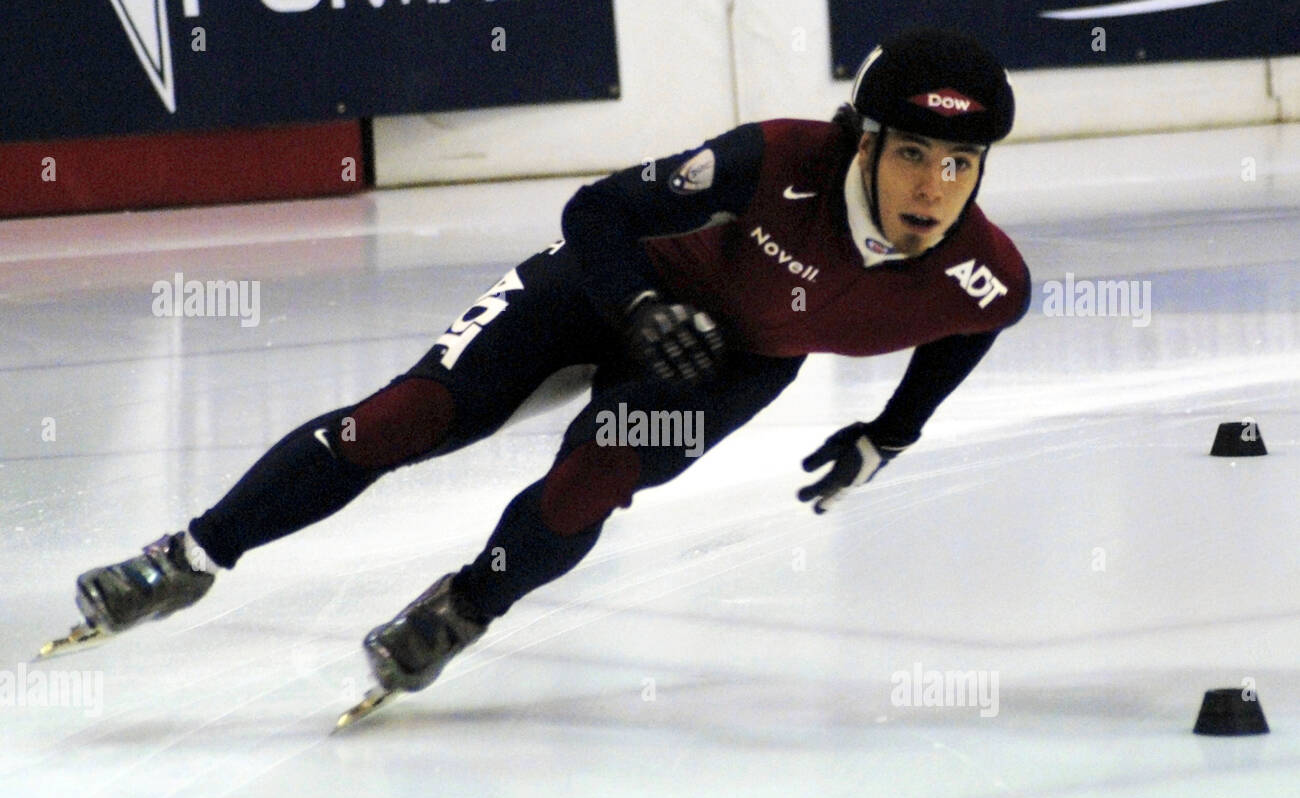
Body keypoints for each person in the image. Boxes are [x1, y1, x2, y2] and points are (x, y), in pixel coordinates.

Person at [64, 28, 1031, 701]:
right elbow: (597, 211)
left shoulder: (987, 277)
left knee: (591, 481)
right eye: (913, 153)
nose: (933, 187)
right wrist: (642, 308)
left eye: (961, 163)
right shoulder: (776, 159)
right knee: (401, 417)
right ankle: (186, 559)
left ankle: (463, 608)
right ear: (862, 142)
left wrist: (888, 435)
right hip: (618, 284)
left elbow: (965, 332)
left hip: (724, 365)